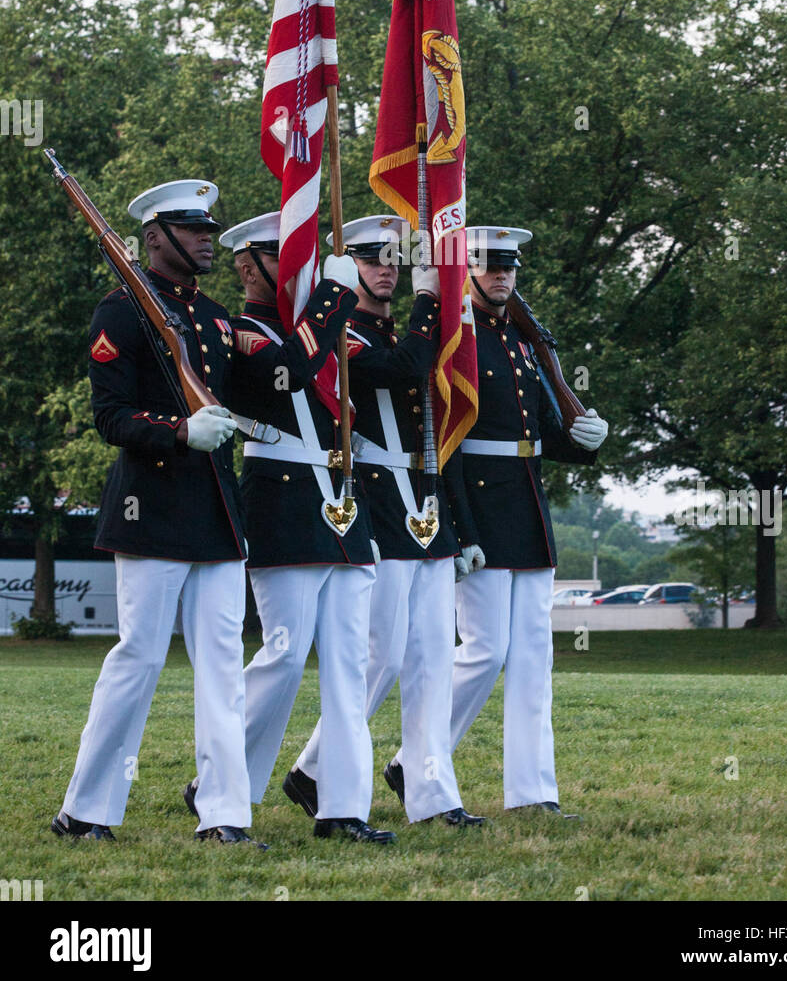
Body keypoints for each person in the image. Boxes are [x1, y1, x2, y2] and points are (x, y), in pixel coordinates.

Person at [52, 179, 262, 845]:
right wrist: (178, 431)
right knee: (139, 657)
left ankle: (225, 814)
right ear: (153, 237)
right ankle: (86, 810)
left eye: (207, 228)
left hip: (217, 513)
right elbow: (110, 417)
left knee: (223, 667)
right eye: (192, 228)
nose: (207, 238)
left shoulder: (217, 315)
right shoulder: (120, 312)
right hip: (152, 508)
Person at [182, 212, 395, 845]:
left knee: (350, 663)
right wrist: (335, 295)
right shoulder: (240, 330)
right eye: (286, 255)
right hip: (283, 494)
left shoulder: (324, 329)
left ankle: (342, 807)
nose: (299, 266)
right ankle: (218, 779)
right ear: (250, 266)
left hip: (343, 503)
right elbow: (289, 373)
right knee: (284, 651)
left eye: (303, 254)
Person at [286, 215, 483, 828]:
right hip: (376, 500)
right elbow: (400, 369)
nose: (388, 269)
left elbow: (435, 428)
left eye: (395, 260)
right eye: (373, 260)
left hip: (424, 501)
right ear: (349, 268)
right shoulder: (345, 335)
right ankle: (312, 769)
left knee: (434, 658)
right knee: (385, 655)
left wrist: (462, 525)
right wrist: (432, 298)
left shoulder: (402, 331)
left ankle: (433, 794)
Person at [421, 225, 608, 815]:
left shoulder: (525, 342)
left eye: (510, 267)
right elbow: (443, 444)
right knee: (484, 650)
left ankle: (532, 793)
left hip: (526, 504)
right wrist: (461, 530)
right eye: (489, 265)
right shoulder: (455, 338)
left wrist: (585, 440)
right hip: (479, 503)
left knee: (533, 654)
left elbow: (542, 433)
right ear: (468, 271)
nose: (502, 275)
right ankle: (420, 758)